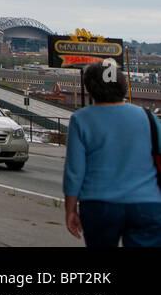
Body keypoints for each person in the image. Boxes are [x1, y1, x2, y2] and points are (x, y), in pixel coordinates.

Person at [63, 61, 161, 247]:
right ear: (123, 85)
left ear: (90, 88)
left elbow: (74, 171)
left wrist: (70, 210)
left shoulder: (81, 120)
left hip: (99, 204)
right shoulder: (148, 117)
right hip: (147, 203)